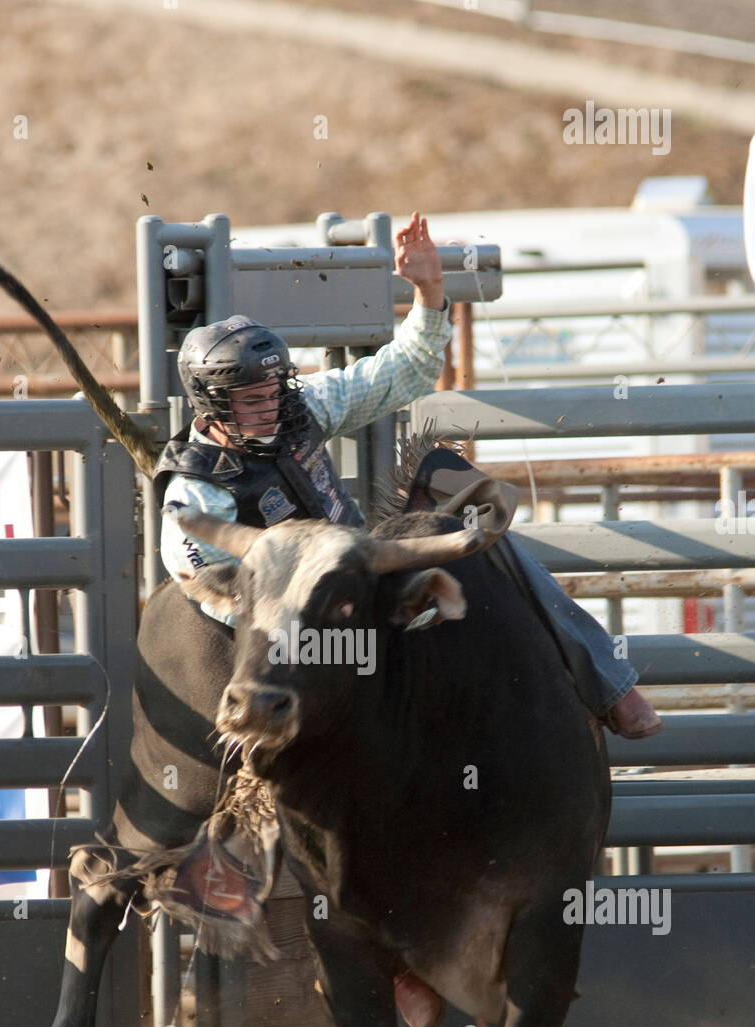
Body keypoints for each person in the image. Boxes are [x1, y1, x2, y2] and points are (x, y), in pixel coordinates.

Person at [154, 212, 661, 740]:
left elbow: (406, 369)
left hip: (363, 573)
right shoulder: (197, 496)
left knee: (467, 506)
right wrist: (324, 618)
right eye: (252, 398)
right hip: (292, 637)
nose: (271, 406)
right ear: (212, 404)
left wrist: (428, 291)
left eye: (275, 390)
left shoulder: (301, 408)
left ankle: (602, 685)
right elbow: (225, 602)